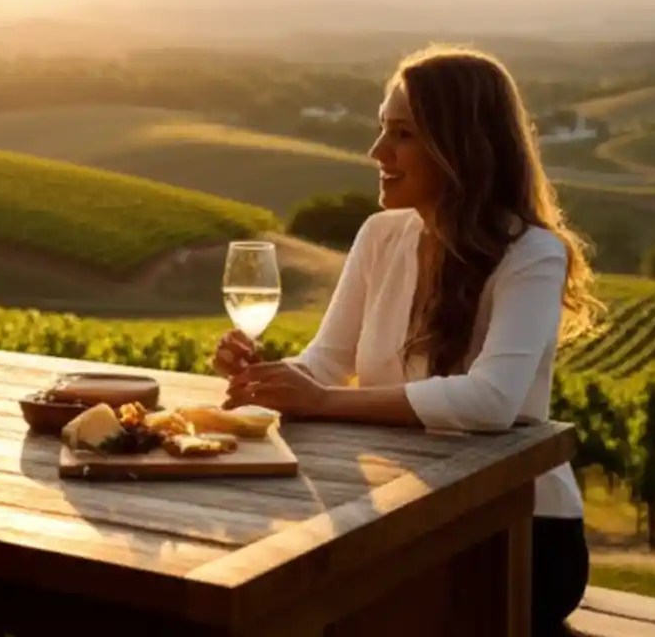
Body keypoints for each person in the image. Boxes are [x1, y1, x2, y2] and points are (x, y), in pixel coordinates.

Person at [211, 45, 603, 637]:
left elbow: (491, 402)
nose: (377, 153)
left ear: (460, 147)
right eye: (381, 129)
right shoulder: (380, 236)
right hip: (404, 515)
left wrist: (320, 401)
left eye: (403, 134)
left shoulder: (532, 254)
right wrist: (267, 375)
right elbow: (324, 361)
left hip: (518, 530)